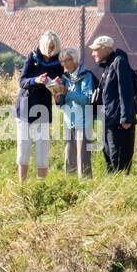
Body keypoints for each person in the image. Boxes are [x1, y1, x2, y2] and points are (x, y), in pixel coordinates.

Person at [16, 31, 63, 182]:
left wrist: (57, 89)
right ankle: (21, 184)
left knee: (42, 150)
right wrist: (35, 80)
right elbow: (22, 81)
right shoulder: (32, 57)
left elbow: (60, 90)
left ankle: (41, 185)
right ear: (42, 45)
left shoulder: (58, 63)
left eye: (53, 47)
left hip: (43, 108)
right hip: (25, 107)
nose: (50, 51)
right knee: (24, 148)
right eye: (48, 47)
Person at [88, 35, 137, 174]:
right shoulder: (109, 65)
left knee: (119, 160)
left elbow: (126, 91)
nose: (93, 53)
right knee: (109, 157)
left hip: (120, 123)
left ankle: (121, 191)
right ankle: (111, 191)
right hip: (109, 120)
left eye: (95, 50)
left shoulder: (119, 62)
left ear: (105, 49)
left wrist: (126, 118)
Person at [58, 47, 97, 178]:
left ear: (75, 60)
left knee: (83, 162)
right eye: (62, 61)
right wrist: (57, 96)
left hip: (84, 124)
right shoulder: (65, 78)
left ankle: (86, 193)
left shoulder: (86, 76)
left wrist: (67, 92)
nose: (64, 64)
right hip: (69, 123)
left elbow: (87, 99)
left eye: (67, 60)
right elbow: (62, 103)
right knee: (69, 162)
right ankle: (70, 192)